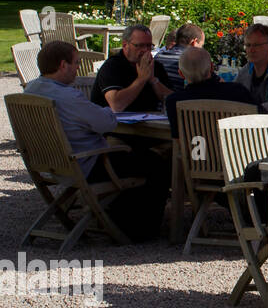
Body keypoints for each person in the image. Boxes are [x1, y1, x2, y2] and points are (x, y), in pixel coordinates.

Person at [26, 41, 168, 240]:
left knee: (137, 158)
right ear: (62, 65)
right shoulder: (68, 97)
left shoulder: (31, 89)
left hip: (51, 164)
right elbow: (106, 124)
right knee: (157, 164)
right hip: (88, 164)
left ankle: (120, 216)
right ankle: (142, 229)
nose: (77, 68)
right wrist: (104, 111)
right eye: (75, 63)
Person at [164, 46, 261, 137]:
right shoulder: (237, 91)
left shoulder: (173, 101)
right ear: (211, 67)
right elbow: (261, 118)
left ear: (181, 74)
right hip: (233, 153)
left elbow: (177, 139)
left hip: (195, 154)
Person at [91, 23, 173, 113]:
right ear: (125, 45)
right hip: (114, 124)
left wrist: (153, 80)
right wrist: (141, 80)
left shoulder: (154, 66)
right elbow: (116, 106)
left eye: (149, 46)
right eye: (140, 45)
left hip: (149, 122)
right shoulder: (112, 66)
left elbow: (173, 101)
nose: (145, 50)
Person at [153, 22, 205, 92]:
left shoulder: (158, 56)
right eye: (201, 45)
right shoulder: (194, 61)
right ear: (194, 42)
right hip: (181, 101)